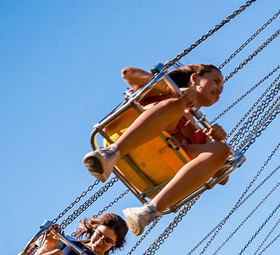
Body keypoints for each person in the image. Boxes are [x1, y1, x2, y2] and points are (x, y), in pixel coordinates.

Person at [82, 64, 232, 239]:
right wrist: (174, 91)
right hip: (126, 135)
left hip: (160, 170)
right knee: (176, 104)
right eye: (216, 81)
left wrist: (216, 141)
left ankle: (149, 211)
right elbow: (129, 74)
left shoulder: (199, 133)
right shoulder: (165, 92)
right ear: (195, 78)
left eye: (222, 88)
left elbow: (223, 177)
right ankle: (110, 154)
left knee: (222, 150)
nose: (219, 90)